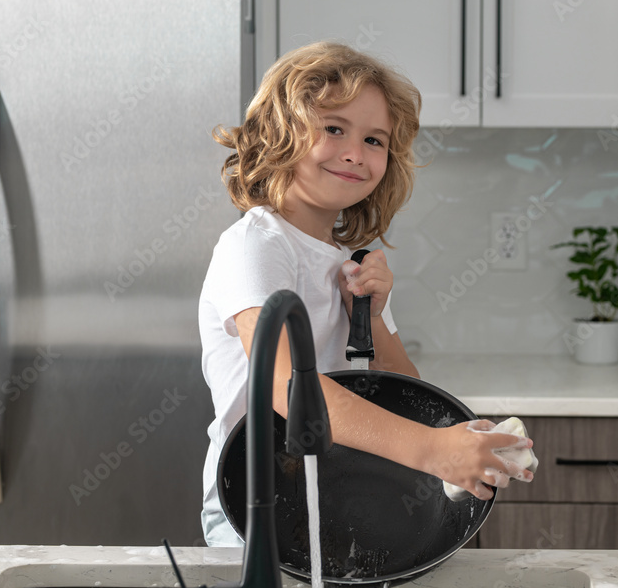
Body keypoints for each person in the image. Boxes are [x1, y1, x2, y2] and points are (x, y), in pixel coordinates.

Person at [198, 41, 534, 546]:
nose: (356, 153)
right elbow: (286, 387)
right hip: (259, 501)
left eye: (376, 140)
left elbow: (405, 394)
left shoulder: (352, 264)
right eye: (334, 129)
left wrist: (374, 320)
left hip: (335, 494)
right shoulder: (256, 246)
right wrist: (432, 450)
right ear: (278, 134)